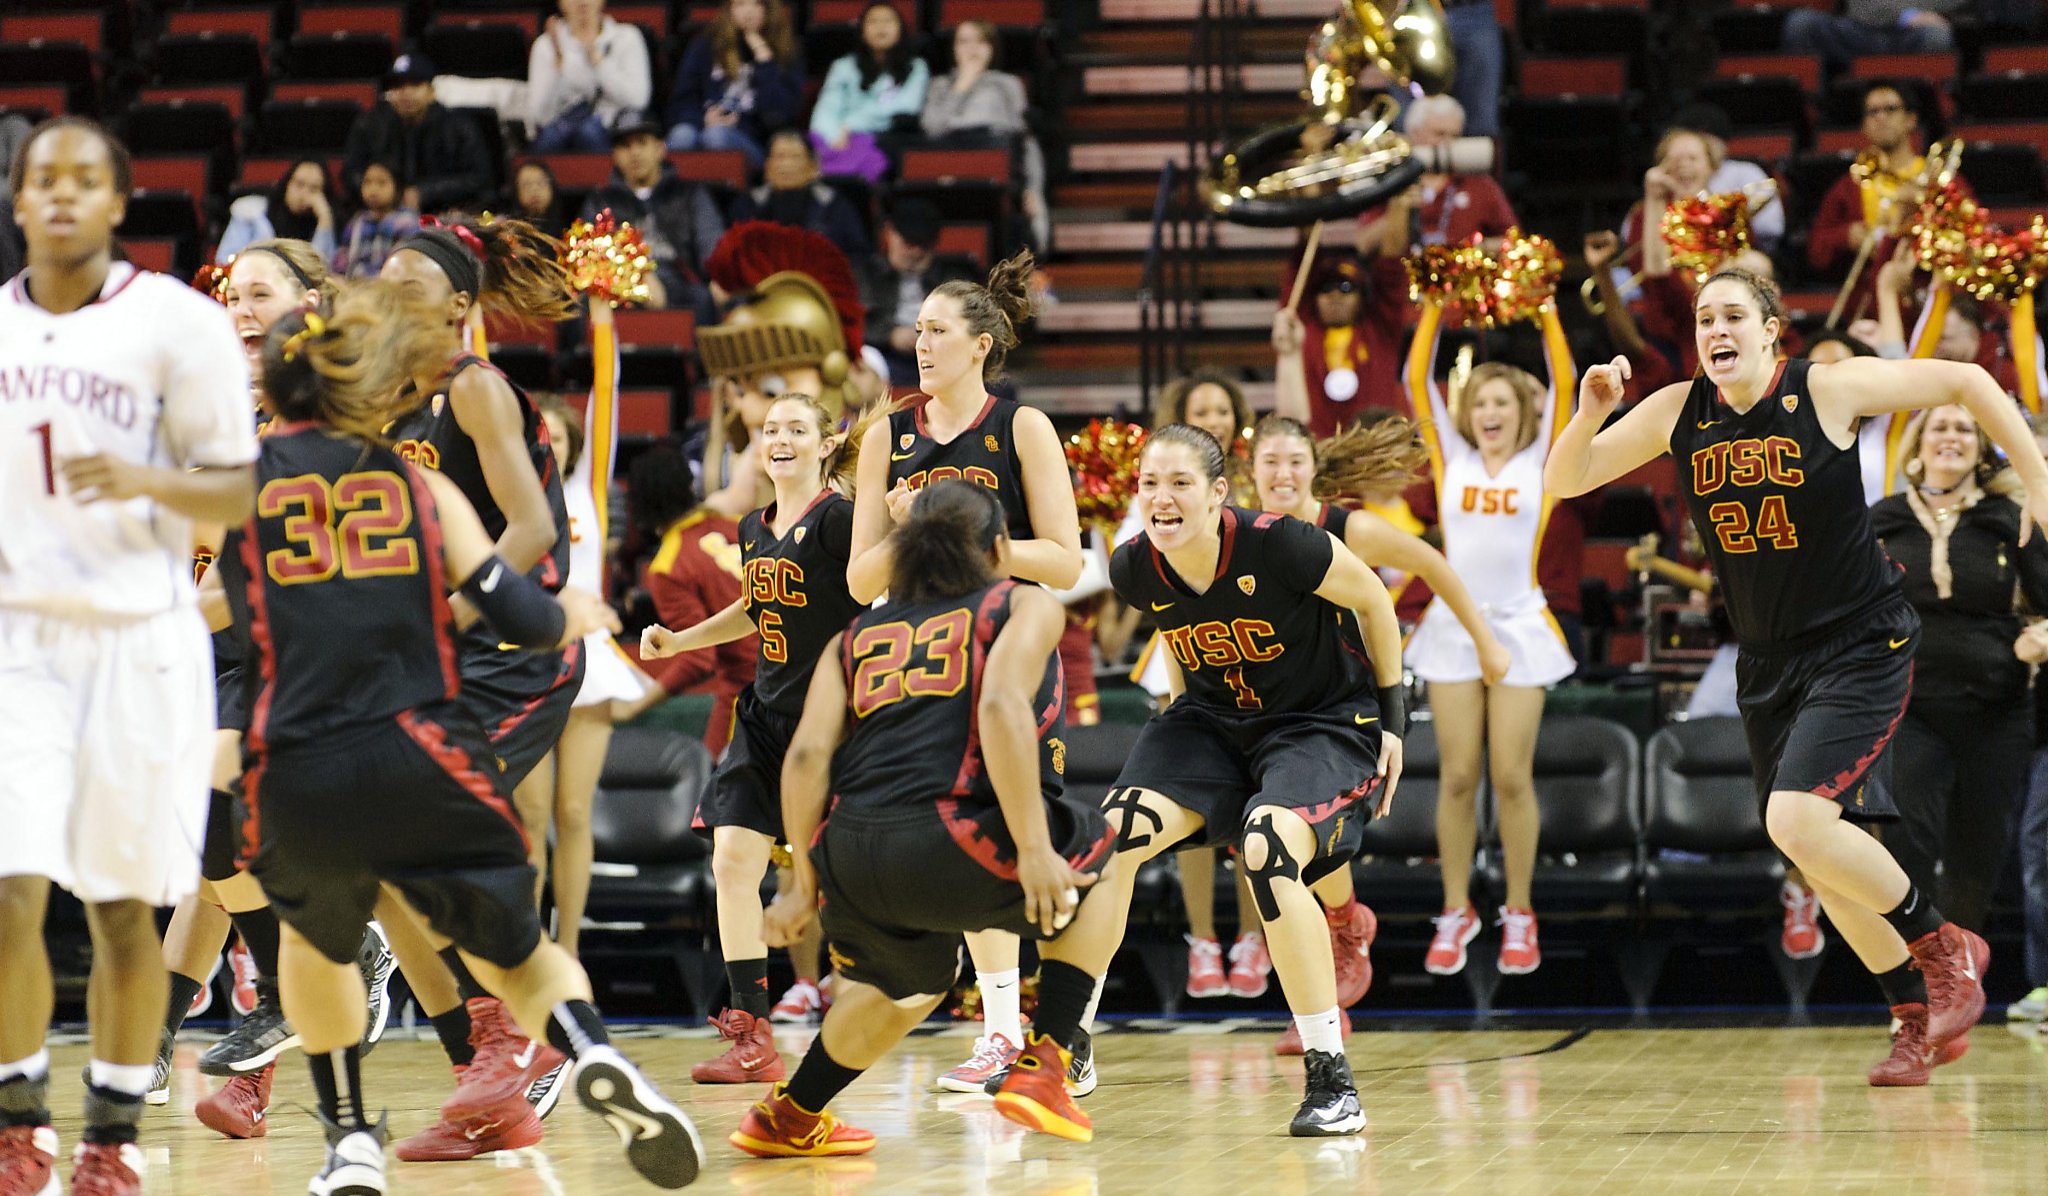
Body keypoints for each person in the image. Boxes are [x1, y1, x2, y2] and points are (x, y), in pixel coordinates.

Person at [215, 283, 701, 1194]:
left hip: (299, 758)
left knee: (315, 948)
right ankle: (597, 1055)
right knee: (514, 946)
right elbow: (514, 605)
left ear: (274, 393)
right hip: (420, 748)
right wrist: (577, 613)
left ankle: (349, 1138)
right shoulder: (418, 482)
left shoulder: (238, 484)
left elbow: (189, 596)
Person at [1546, 266, 2026, 1085]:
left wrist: (2040, 478)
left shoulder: (1827, 391)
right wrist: (1591, 411)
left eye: (1733, 315)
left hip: (1858, 644)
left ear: (1772, 330)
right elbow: (1563, 481)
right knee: (1817, 854)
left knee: (1796, 821)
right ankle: (1913, 1016)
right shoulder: (1677, 410)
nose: (1715, 330)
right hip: (1769, 662)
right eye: (1703, 319)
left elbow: (1968, 377)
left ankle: (1947, 949)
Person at [0, 117, 251, 1196]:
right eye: (40, 179)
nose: (60, 195)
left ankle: (110, 1133)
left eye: (83, 179)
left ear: (117, 202)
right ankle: (19, 1122)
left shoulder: (178, 324)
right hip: (20, 638)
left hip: (143, 640)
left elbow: (237, 490)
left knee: (118, 903)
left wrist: (145, 481)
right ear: (17, 202)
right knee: (8, 885)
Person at [732, 481, 1118, 1155]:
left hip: (849, 853)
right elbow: (1000, 709)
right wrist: (1032, 847)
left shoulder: (853, 635)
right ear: (999, 549)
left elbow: (806, 758)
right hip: (949, 833)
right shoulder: (1019, 601)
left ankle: (790, 1114)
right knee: (1108, 855)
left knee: (908, 985)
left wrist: (799, 885)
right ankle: (1048, 1062)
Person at [1095, 425, 1408, 1135]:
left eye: (1179, 484)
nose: (1162, 498)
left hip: (1319, 722)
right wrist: (1177, 728)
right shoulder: (1137, 565)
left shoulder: (1284, 541)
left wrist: (1395, 723)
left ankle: (1331, 1078)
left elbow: (1376, 602)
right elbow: (1179, 633)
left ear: (1217, 494)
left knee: (1269, 847)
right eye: (1149, 483)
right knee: (1111, 838)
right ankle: (1064, 1046)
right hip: (1216, 723)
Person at [169, 241, 398, 1144]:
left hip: (329, 656)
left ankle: (505, 1048)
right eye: (231, 294)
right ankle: (298, 1056)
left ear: (313, 302)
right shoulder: (226, 417)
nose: (239, 307)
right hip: (235, 658)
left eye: (260, 291)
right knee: (212, 836)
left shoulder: (344, 408)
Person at [847, 248, 1083, 1093]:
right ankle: (1001, 1031)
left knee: (1031, 838)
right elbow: (856, 579)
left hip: (1009, 654)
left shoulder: (1020, 427)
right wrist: (909, 536)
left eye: (937, 330)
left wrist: (961, 539)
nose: (921, 344)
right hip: (922, 667)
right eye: (915, 330)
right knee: (969, 838)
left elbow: (1065, 558)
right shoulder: (888, 432)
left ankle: (1058, 1032)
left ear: (980, 344)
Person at [378, 215, 587, 1160]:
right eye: (382, 286)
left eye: (412, 286)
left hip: (519, 655)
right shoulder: (388, 408)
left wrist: (446, 619)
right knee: (381, 858)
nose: (391, 301)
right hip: (446, 661)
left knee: (429, 843)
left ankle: (524, 1047)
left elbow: (535, 528)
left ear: (462, 306)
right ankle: (487, 1079)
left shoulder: (476, 389)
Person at [1247, 413, 1510, 1049]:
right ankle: (1334, 953)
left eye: (1293, 461)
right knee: (1264, 856)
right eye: (1270, 463)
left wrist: (1484, 643)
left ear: (1314, 468)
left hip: (1345, 713)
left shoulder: (1350, 528)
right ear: (1250, 472)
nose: (1282, 474)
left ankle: (1335, 963)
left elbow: (1433, 565)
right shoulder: (1241, 535)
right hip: (1270, 712)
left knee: (1298, 840)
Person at [642, 394, 868, 1085]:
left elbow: (874, 600)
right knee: (733, 864)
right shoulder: (751, 527)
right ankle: (752, 1034)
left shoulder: (841, 520)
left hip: (834, 725)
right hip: (765, 719)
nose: (780, 439)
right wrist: (681, 638)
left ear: (826, 446)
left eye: (798, 429)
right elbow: (753, 605)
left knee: (847, 882)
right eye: (770, 430)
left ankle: (893, 1008)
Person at [1405, 295, 1579, 978]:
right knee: (1456, 777)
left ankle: (1519, 910)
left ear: (1522, 412)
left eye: (1503, 403)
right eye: (1481, 404)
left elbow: (1565, 382)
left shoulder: (1544, 460)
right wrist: (1435, 311)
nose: (1491, 414)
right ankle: (1455, 909)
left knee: (1510, 776)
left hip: (1519, 625)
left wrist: (1544, 312)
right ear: (1467, 413)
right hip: (1451, 626)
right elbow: (1418, 378)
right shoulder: (1451, 459)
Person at [1869, 406, 2048, 932]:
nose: (1952, 437)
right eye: (1940, 427)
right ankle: (1919, 977)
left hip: (1998, 711)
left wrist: (2040, 638)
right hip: (1910, 708)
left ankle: (1958, 982)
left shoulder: (2008, 520)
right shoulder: (1882, 519)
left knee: (1977, 853)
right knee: (1909, 845)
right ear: (1917, 447)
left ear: (1981, 448)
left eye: (1965, 429)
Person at [526, 304, 657, 959]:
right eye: (538, 435)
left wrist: (601, 314)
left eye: (559, 435)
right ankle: (525, 955)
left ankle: (569, 948)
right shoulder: (509, 497)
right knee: (526, 822)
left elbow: (606, 393)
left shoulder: (587, 490)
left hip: (588, 661)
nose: (550, 444)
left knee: (573, 815)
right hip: (522, 658)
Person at [631, 443, 758, 754]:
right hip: (804, 671)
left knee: (717, 793)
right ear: (690, 485)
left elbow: (700, 657)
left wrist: (635, 707)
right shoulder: (742, 524)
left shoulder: (668, 566)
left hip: (750, 690)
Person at [582, 112, 728, 320]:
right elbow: (592, 257)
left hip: (680, 282)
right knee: (584, 302)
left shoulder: (688, 193)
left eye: (642, 143)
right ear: (614, 155)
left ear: (660, 148)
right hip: (622, 285)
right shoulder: (601, 200)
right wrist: (640, 276)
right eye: (625, 146)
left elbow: (711, 241)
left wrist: (719, 275)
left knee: (703, 297)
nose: (634, 153)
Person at [920, 20, 1049, 253]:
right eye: (964, 41)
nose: (972, 49)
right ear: (953, 48)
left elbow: (1024, 140)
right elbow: (932, 129)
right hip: (950, 167)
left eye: (981, 41)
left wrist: (1034, 189)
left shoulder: (1007, 84)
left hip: (997, 162)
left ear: (992, 48)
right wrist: (963, 84)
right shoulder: (940, 85)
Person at [1273, 253, 1414, 436]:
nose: (1335, 295)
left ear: (1363, 297)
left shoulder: (1379, 331)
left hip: (1374, 447)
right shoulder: (1303, 332)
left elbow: (1392, 269)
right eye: (1326, 289)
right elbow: (1300, 271)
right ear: (1314, 298)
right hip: (1320, 450)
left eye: (1346, 288)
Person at [1358, 96, 1517, 255]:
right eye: (1439, 134)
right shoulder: (1389, 181)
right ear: (1414, 134)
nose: (1447, 143)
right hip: (1400, 275)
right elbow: (1363, 245)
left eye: (1455, 136)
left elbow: (1514, 242)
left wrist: (1475, 250)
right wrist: (1399, 210)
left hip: (1459, 275)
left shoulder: (1479, 184)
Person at [342, 53, 496, 214]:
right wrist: (385, 191)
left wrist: (424, 193)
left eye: (415, 84)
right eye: (398, 86)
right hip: (382, 214)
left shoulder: (458, 126)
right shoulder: (370, 125)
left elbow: (479, 178)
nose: (406, 92)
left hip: (443, 213)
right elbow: (351, 173)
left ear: (431, 91)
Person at [664, 0, 804, 169]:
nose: (748, 12)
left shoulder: (786, 50)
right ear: (729, 10)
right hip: (703, 126)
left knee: (716, 136)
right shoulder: (705, 46)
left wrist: (764, 60)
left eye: (757, 4)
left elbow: (778, 117)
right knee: (681, 135)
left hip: (755, 143)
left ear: (769, 10)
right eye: (740, 4)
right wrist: (704, 119)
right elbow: (682, 101)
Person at [857, 196, 979, 385]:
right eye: (908, 244)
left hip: (941, 357)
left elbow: (970, 322)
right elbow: (855, 321)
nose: (915, 253)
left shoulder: (952, 277)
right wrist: (890, 334)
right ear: (889, 234)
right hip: (885, 357)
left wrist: (928, 275)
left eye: (923, 245)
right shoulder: (866, 275)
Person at [809, 0, 930, 182]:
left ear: (900, 29)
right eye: (873, 22)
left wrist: (851, 126)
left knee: (871, 153)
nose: (881, 27)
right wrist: (832, 136)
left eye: (888, 21)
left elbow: (907, 106)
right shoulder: (843, 66)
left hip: (882, 135)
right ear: (862, 31)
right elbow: (826, 107)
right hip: (836, 139)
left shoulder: (916, 67)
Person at [526, 0, 652, 153]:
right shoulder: (546, 45)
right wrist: (557, 64)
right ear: (561, 4)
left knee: (588, 132)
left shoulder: (626, 37)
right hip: (562, 127)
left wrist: (597, 61)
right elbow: (538, 115)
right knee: (550, 138)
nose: (582, 2)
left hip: (611, 127)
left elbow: (637, 100)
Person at [729, 130, 871, 264]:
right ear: (767, 167)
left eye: (795, 157)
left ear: (814, 167)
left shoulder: (834, 205)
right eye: (779, 157)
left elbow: (858, 255)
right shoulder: (747, 205)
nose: (786, 165)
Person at [1783, 0, 1960, 76]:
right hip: (1858, 31)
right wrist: (1907, 14)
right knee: (1801, 24)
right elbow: (1863, 7)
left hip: (1913, 36)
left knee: (1936, 35)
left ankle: (1917, 111)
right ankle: (1817, 112)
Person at [215, 158, 338, 264]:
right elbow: (224, 260)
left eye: (314, 189)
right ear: (287, 184)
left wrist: (324, 220)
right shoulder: (251, 213)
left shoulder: (324, 224)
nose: (304, 194)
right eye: (299, 184)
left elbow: (320, 272)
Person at [334, 159, 420, 279]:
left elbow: (405, 265)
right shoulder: (358, 221)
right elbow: (341, 258)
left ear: (397, 187)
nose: (373, 190)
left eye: (382, 183)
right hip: (353, 289)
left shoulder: (406, 222)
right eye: (367, 182)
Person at [508, 159, 573, 240]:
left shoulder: (570, 229)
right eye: (526, 184)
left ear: (552, 188)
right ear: (516, 192)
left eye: (540, 183)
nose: (534, 190)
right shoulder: (509, 233)